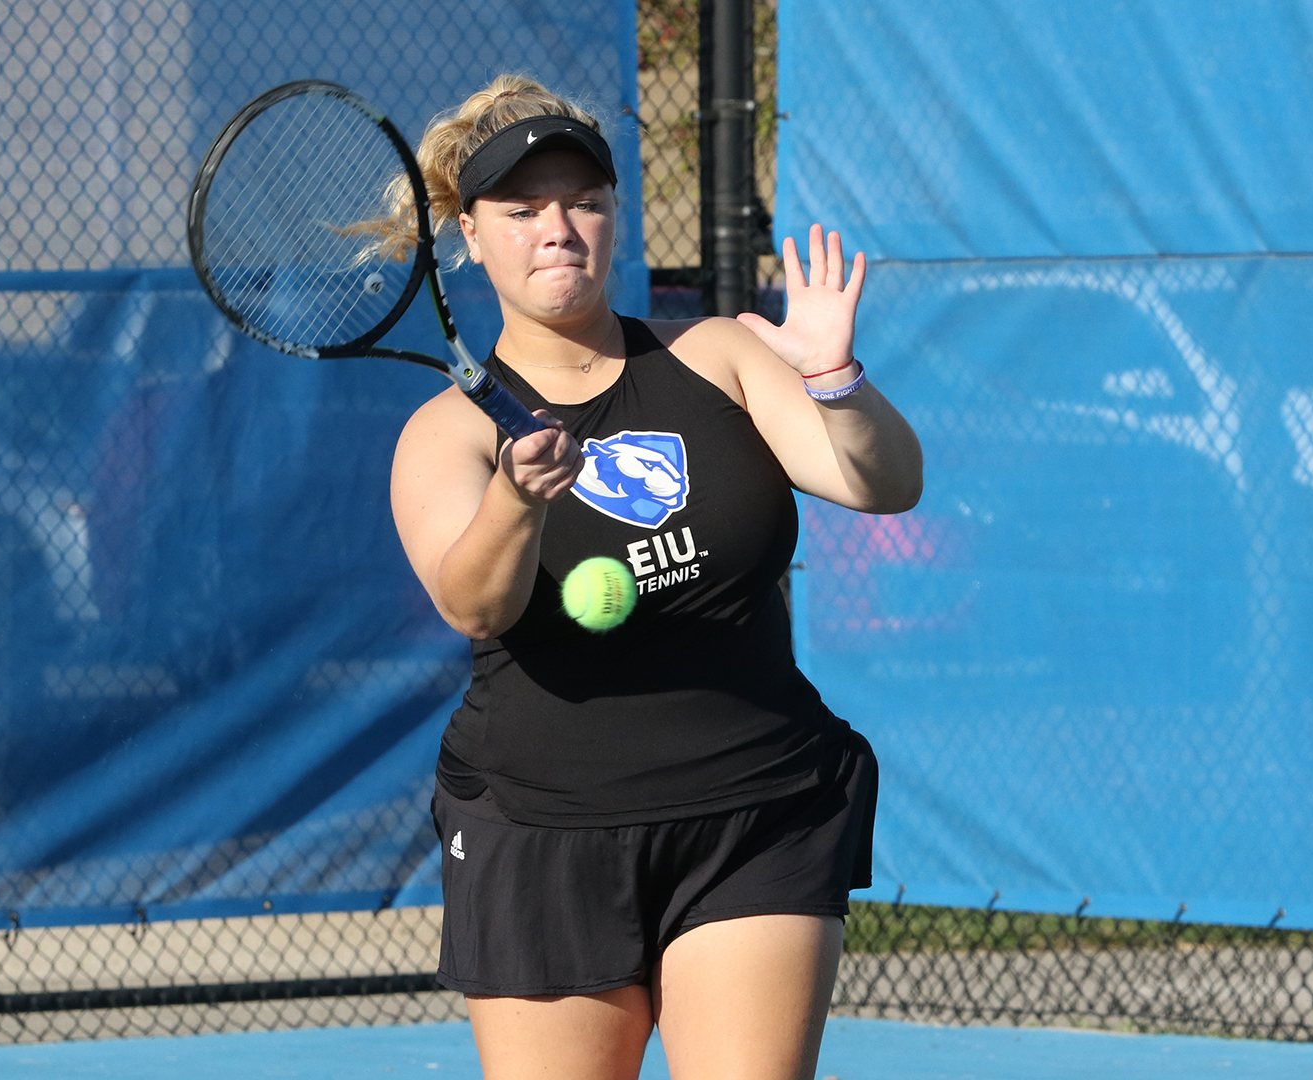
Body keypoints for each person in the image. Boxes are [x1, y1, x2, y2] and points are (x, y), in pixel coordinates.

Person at [385, 73, 922, 1080]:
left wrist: (835, 379)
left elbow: (882, 482)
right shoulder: (446, 435)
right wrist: (515, 499)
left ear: (614, 217)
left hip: (756, 812)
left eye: (583, 201)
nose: (558, 227)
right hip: (543, 830)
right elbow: (474, 602)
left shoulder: (716, 355)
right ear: (469, 232)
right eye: (523, 207)